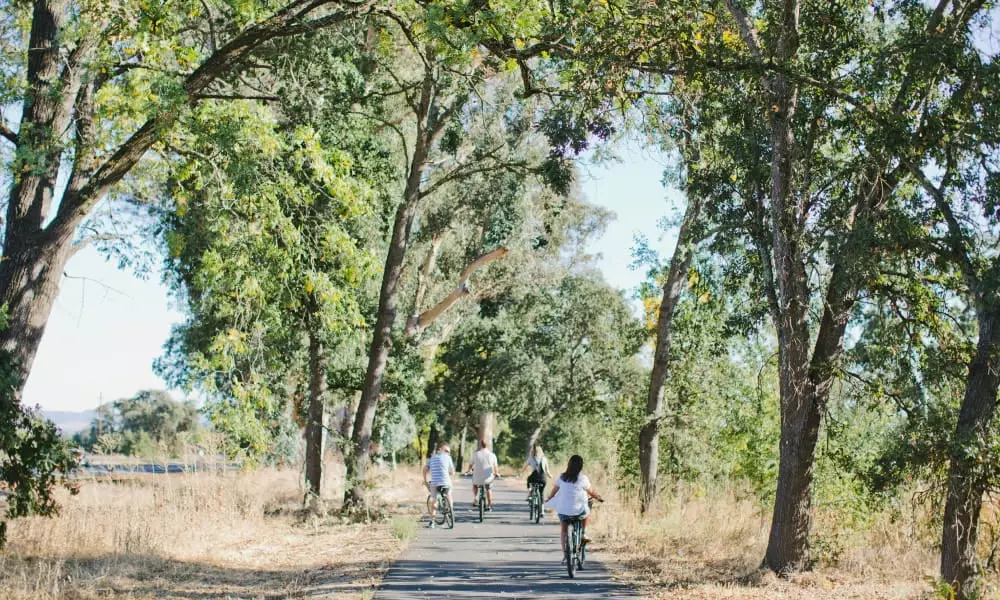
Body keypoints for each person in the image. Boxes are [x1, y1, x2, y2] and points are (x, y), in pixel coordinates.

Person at [544, 455, 603, 548]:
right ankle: (583, 533)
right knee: (587, 512)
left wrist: (549, 498)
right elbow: (591, 492)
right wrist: (598, 497)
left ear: (569, 465)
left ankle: (565, 555)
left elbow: (554, 491)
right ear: (581, 466)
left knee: (564, 531)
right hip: (579, 511)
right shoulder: (583, 478)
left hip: (563, 512)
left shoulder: (562, 477)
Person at [423, 441, 455, 528]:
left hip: (435, 483)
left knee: (434, 501)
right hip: (446, 482)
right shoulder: (448, 458)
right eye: (446, 451)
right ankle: (450, 510)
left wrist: (425, 481)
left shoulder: (432, 458)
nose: (448, 453)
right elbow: (452, 472)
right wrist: (448, 473)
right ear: (440, 449)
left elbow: (425, 469)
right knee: (449, 495)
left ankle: (432, 522)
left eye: (448, 451)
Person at [467, 439, 499, 511]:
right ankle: (489, 505)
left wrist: (468, 471)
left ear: (480, 445)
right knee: (488, 488)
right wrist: (497, 473)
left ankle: (475, 498)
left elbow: (470, 465)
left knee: (475, 485)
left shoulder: (475, 454)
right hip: (488, 478)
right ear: (488, 446)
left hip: (477, 478)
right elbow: (496, 468)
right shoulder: (492, 455)